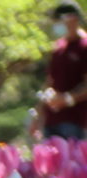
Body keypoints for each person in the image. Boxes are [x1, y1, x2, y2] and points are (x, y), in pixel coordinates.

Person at [39, 2, 87, 140]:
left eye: (59, 21)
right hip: (51, 121)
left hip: (76, 121)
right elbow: (49, 81)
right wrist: (38, 114)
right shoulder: (58, 48)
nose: (57, 26)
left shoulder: (84, 46)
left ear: (72, 19)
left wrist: (67, 99)